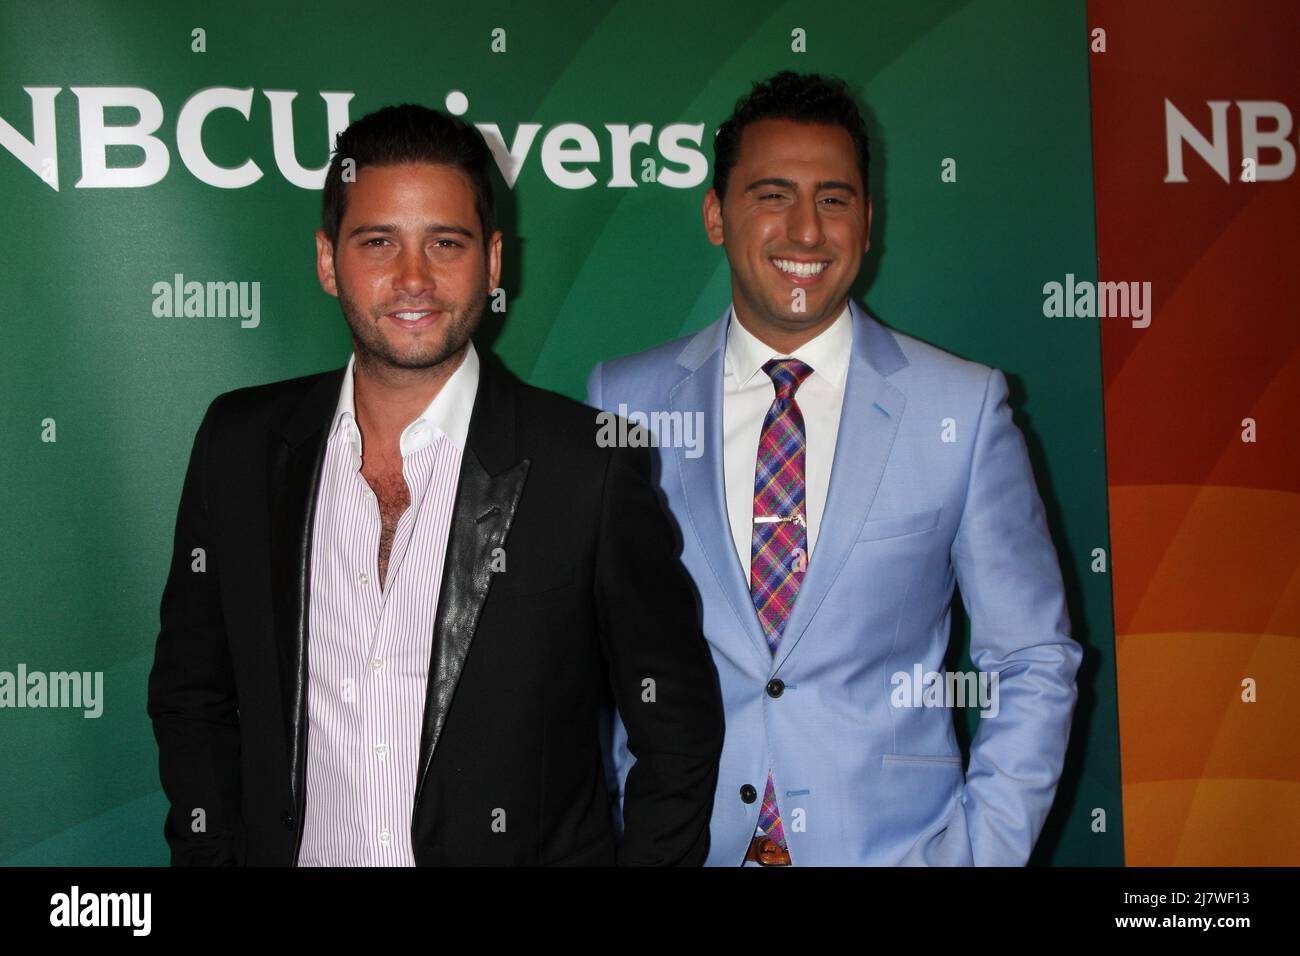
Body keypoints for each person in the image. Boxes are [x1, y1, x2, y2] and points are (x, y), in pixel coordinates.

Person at [147, 104, 723, 866]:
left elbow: (676, 727)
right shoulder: (241, 445)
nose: (412, 278)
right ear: (327, 260)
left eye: (444, 244)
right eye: (378, 241)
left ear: (491, 263)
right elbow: (193, 697)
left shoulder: (590, 466)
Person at [587, 71, 1083, 866]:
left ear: (868, 218)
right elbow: (594, 658)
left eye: (835, 199)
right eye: (772, 194)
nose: (807, 232)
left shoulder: (961, 409)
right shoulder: (627, 400)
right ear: (717, 215)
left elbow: (1032, 659)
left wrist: (978, 855)